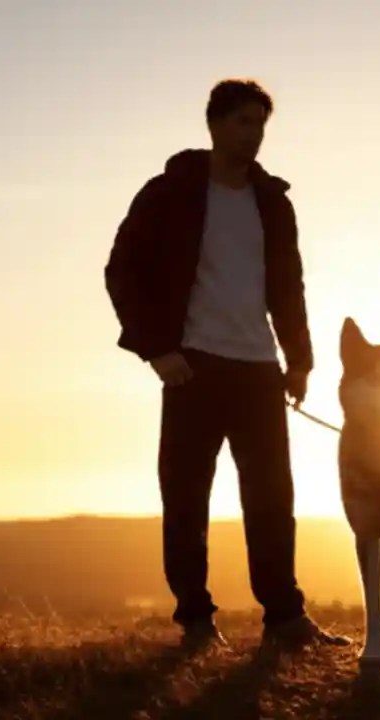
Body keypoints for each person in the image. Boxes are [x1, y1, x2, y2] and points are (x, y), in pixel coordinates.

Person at [104, 78, 350, 651]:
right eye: (243, 122)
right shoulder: (170, 193)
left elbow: (289, 286)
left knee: (272, 499)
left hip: (259, 368)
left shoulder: (273, 202)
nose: (254, 134)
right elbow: (121, 270)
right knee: (186, 497)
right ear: (214, 124)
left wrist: (300, 361)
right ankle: (195, 621)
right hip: (192, 368)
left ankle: (286, 619)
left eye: (260, 124)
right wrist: (157, 350)